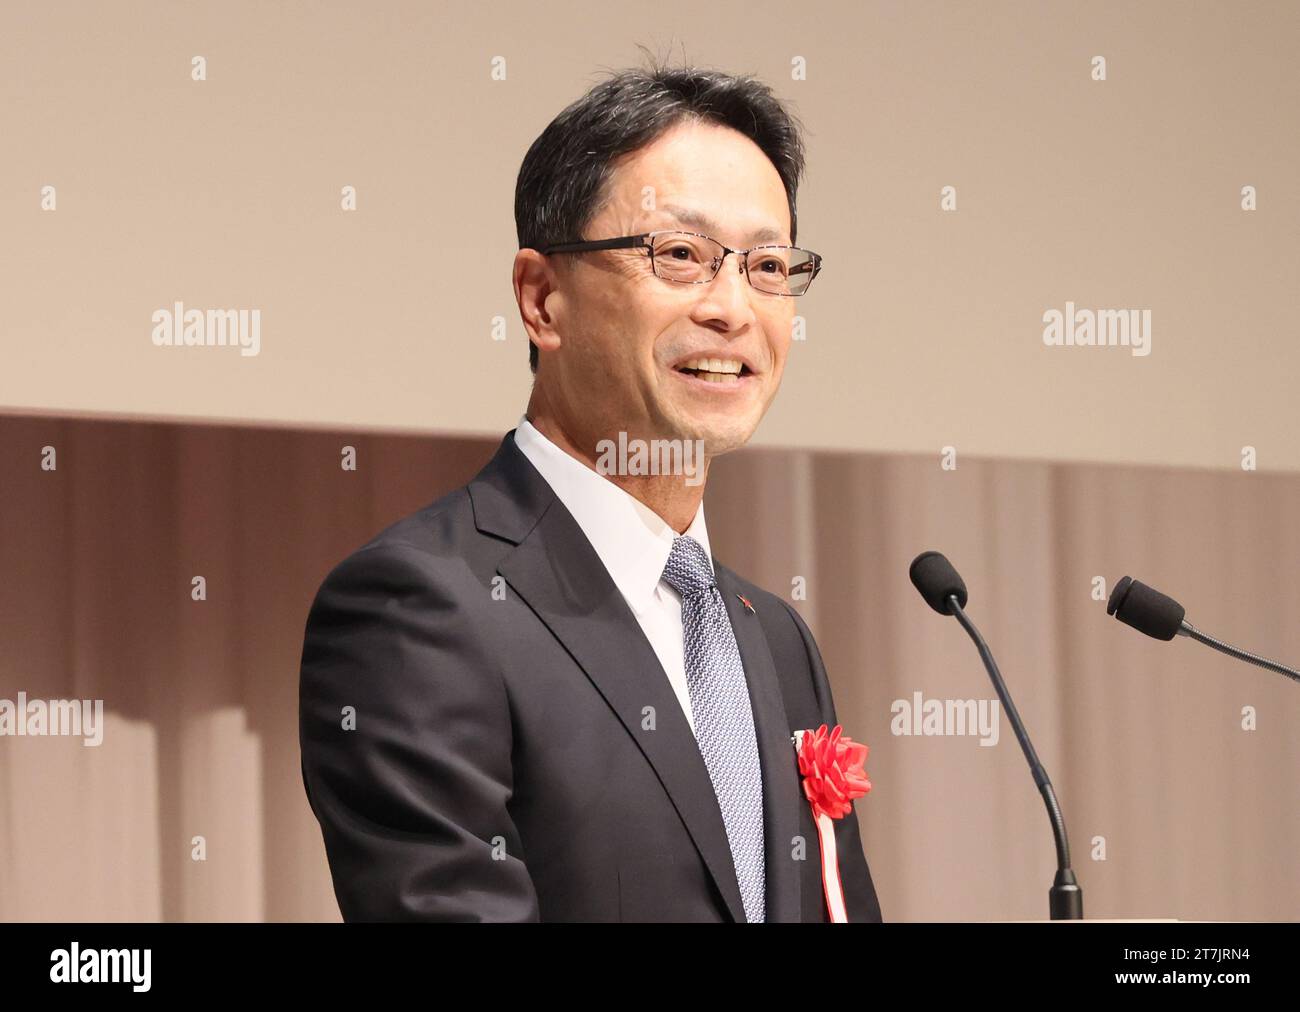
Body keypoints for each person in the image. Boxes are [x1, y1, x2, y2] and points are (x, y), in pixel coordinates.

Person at [299, 63, 882, 922]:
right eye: (680, 255)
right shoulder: (419, 607)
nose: (732, 307)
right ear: (542, 300)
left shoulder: (776, 638)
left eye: (766, 265)